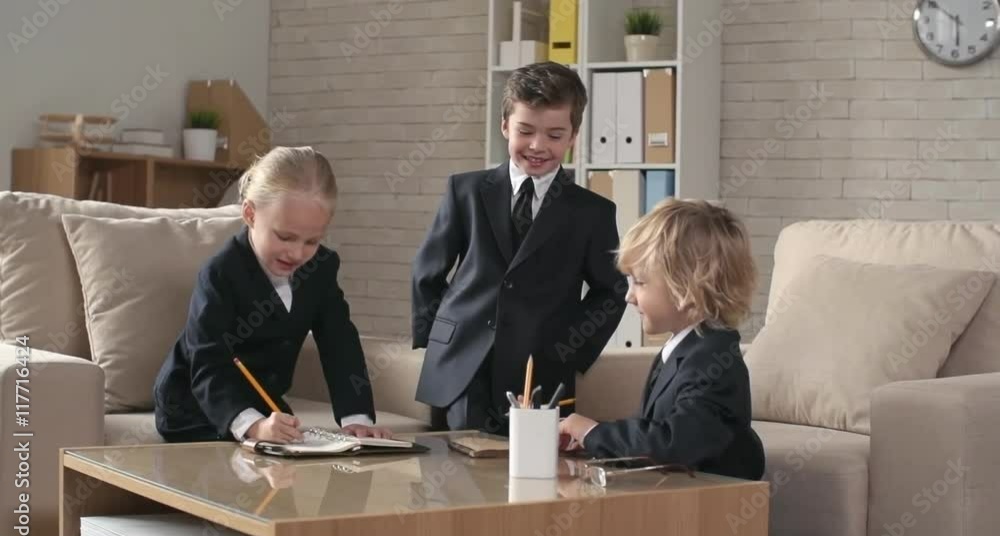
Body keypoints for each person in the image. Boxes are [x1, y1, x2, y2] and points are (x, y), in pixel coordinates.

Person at [411, 61, 628, 434]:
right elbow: (427, 271)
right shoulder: (464, 191)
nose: (538, 146)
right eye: (525, 131)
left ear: (574, 135)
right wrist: (439, 339)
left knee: (529, 474)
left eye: (555, 135)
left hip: (541, 370)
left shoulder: (592, 213)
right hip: (461, 368)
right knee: (457, 472)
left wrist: (572, 347)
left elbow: (612, 290)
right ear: (505, 126)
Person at [153, 146, 391, 444]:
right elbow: (208, 363)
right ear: (250, 214)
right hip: (194, 407)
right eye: (285, 237)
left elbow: (339, 343)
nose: (297, 253)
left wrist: (356, 419)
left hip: (265, 404)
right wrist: (253, 426)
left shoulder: (320, 268)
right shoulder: (220, 274)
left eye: (312, 241)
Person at [558, 199, 766, 481]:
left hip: (706, 505)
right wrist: (591, 439)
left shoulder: (713, 359)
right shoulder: (683, 350)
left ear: (688, 287)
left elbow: (674, 444)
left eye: (640, 282)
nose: (629, 296)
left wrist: (592, 432)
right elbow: (652, 429)